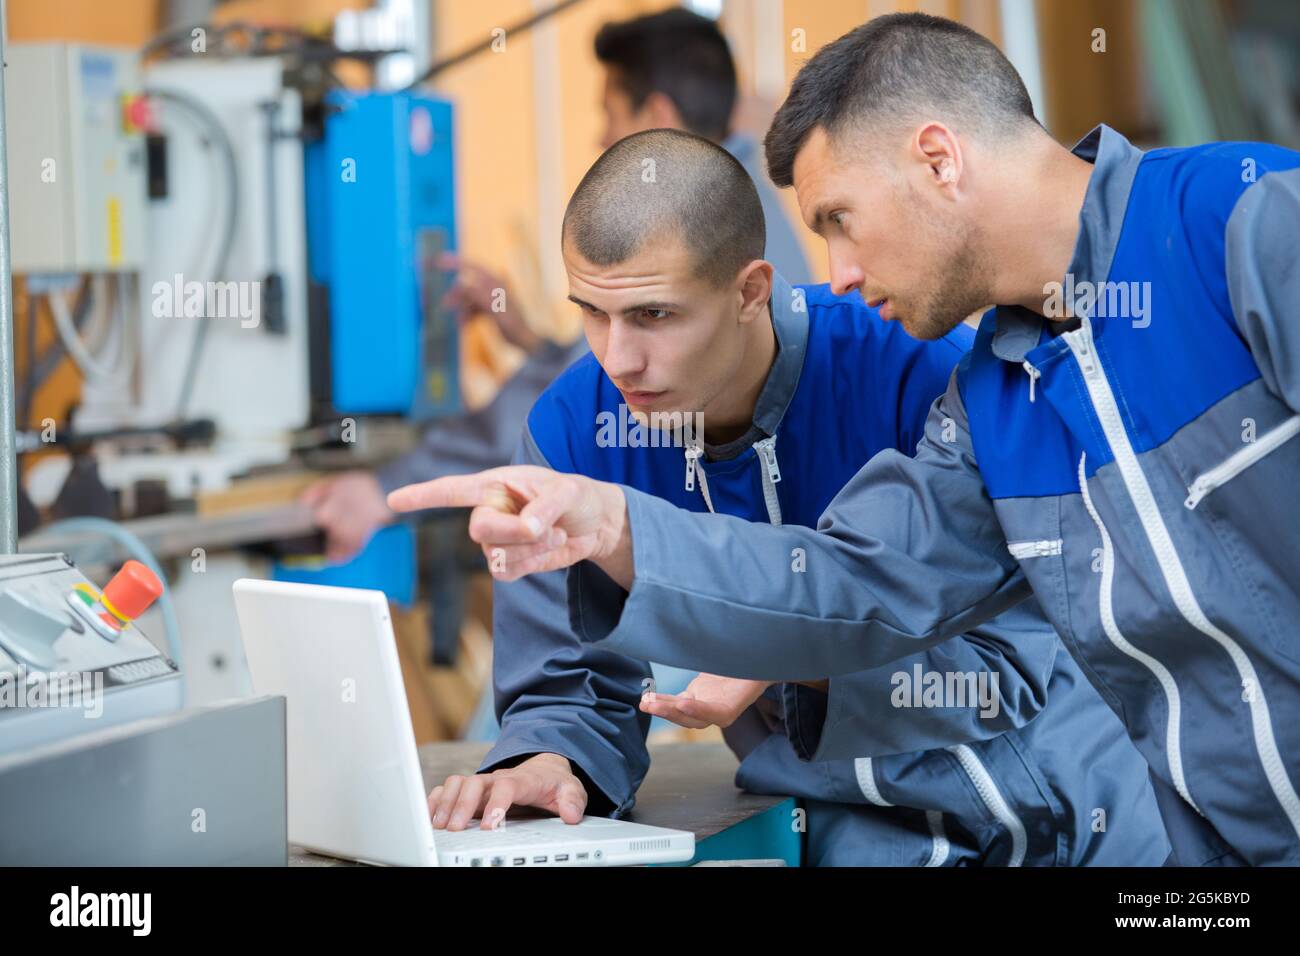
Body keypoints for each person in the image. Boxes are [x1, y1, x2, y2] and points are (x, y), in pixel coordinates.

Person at [389, 14, 1300, 866]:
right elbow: (850, 583)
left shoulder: (1244, 225)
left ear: (938, 159)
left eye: (837, 220)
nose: (835, 274)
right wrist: (615, 525)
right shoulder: (997, 398)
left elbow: (1008, 674)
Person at [302, 6, 809, 562]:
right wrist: (533, 341)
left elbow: (578, 404)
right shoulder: (750, 207)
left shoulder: (689, 228)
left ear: (659, 115)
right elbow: (608, 372)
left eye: (611, 114)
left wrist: (382, 491)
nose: (601, 136)